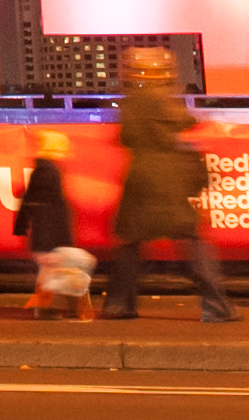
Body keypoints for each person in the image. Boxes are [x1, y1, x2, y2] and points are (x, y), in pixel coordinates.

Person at [101, 45, 232, 323]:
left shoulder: (130, 103)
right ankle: (217, 307)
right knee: (194, 244)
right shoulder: (164, 99)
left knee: (130, 246)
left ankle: (119, 305)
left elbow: (125, 137)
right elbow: (185, 121)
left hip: (140, 179)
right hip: (169, 181)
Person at [15, 128, 93, 317]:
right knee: (50, 272)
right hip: (48, 236)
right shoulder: (50, 172)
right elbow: (53, 209)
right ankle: (44, 309)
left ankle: (44, 308)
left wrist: (21, 227)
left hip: (43, 235)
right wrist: (63, 239)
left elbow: (28, 202)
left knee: (48, 272)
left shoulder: (41, 171)